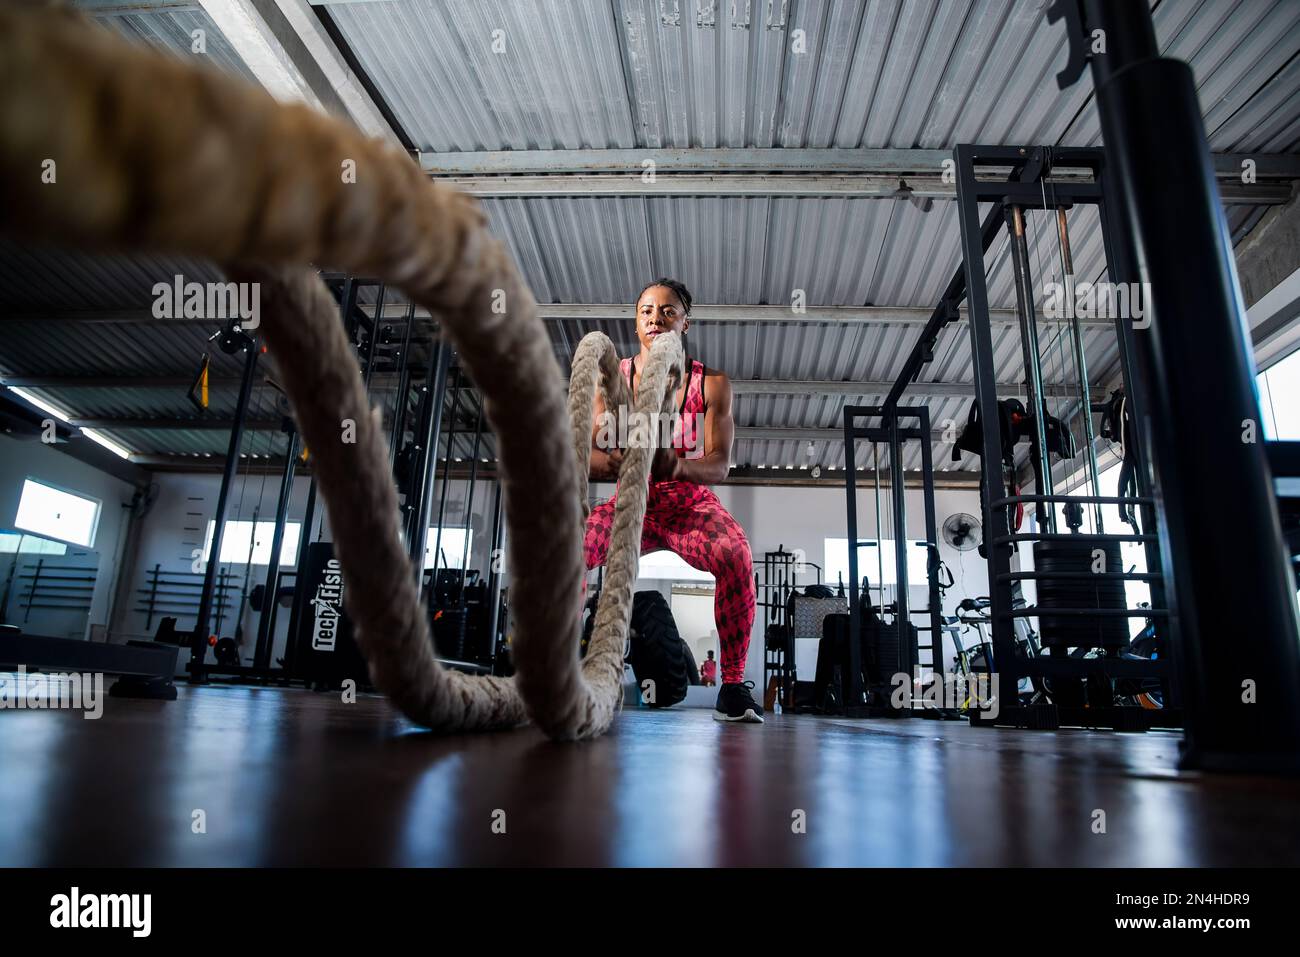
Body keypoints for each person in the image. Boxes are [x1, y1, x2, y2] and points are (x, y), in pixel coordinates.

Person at [585, 278, 762, 723]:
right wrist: (621, 464)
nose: (655, 318)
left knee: (736, 554)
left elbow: (720, 464)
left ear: (686, 322)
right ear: (635, 321)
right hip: (634, 502)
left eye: (667, 311)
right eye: (646, 310)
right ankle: (562, 672)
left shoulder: (713, 383)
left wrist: (677, 468)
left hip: (689, 504)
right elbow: (586, 456)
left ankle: (734, 686)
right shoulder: (612, 380)